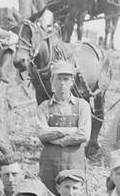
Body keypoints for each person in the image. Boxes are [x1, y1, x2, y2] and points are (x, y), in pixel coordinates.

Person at [36, 60, 90, 189]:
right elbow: (41, 133)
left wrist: (54, 136)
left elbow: (84, 135)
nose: (62, 83)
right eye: (58, 78)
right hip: (49, 164)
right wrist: (71, 131)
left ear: (72, 82)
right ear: (52, 81)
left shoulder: (82, 106)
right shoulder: (44, 107)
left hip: (74, 162)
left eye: (66, 79)